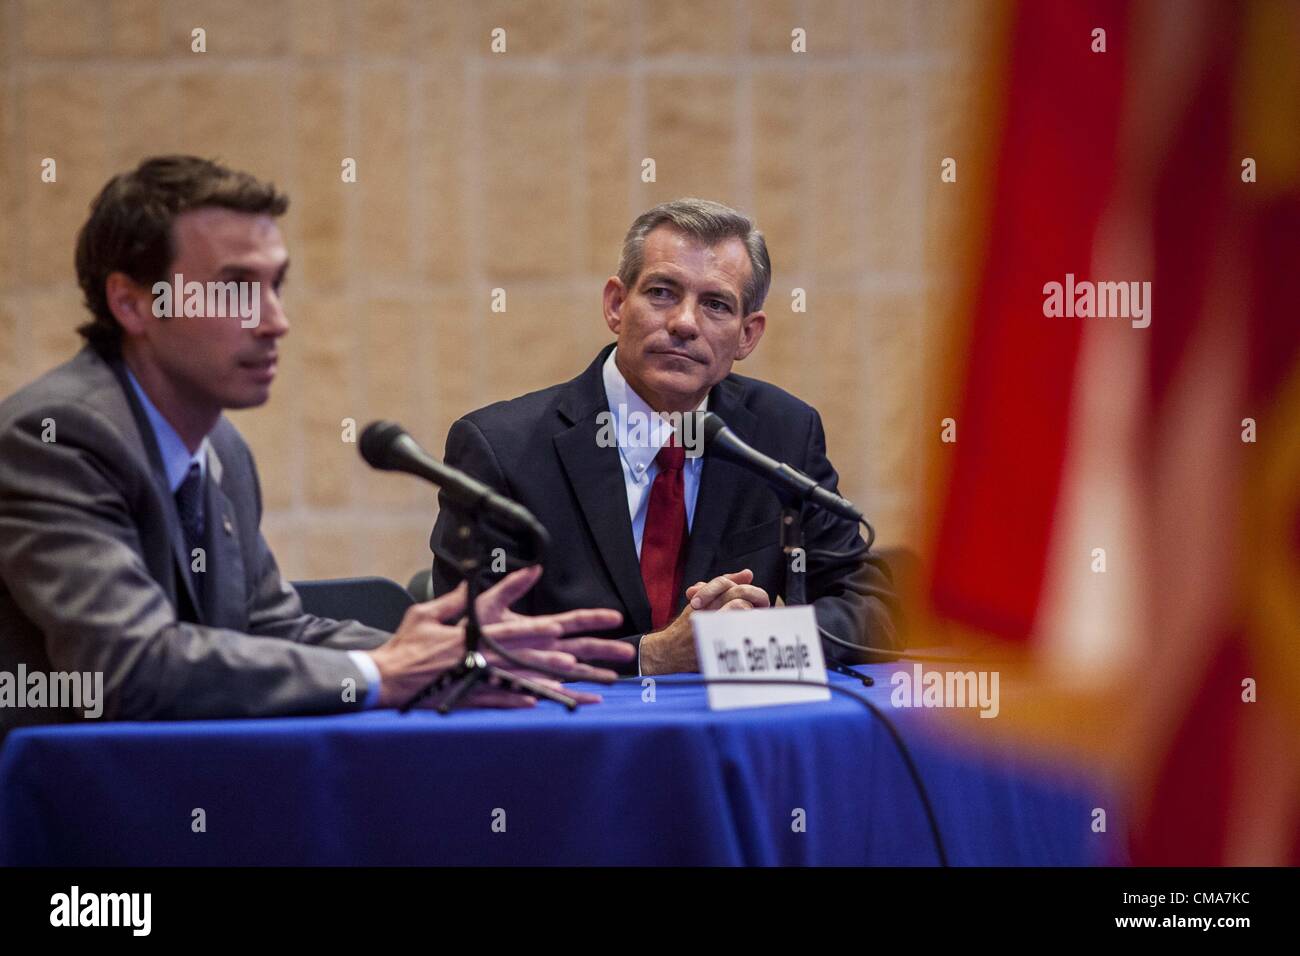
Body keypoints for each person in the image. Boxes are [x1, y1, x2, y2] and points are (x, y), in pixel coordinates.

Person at [0, 155, 632, 734]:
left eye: (277, 285)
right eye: (237, 287)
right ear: (132, 302)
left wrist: (451, 649)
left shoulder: (220, 445)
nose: (276, 320)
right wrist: (382, 673)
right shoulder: (56, 437)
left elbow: (274, 626)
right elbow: (130, 666)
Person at [429, 198, 900, 675]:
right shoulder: (501, 449)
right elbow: (463, 644)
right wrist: (649, 656)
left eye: (716, 305)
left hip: (731, 738)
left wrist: (757, 642)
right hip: (571, 736)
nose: (684, 323)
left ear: (747, 336)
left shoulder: (782, 431)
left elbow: (874, 610)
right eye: (661, 293)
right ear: (616, 304)